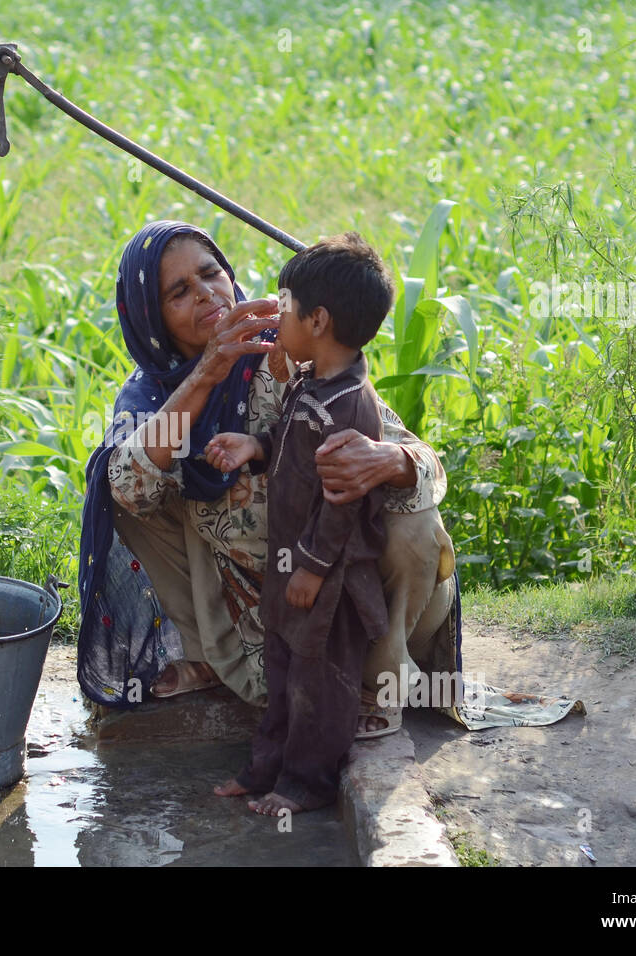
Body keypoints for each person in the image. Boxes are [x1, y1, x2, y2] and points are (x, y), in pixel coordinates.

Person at [76, 220, 457, 736]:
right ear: (152, 318)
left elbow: (423, 459)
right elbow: (127, 487)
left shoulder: (289, 349)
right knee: (122, 476)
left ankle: (374, 685)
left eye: (211, 274)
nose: (207, 294)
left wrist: (389, 461)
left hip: (360, 601)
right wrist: (205, 374)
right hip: (260, 618)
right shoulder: (150, 396)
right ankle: (215, 658)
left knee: (414, 516)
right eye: (179, 292)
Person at [205, 232, 393, 814]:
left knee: (319, 687)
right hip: (293, 567)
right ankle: (265, 771)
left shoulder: (351, 404)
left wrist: (311, 567)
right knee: (283, 675)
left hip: (328, 579)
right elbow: (292, 446)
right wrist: (255, 447)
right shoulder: (312, 383)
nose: (274, 315)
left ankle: (306, 786)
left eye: (283, 306)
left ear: (317, 319)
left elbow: (341, 500)